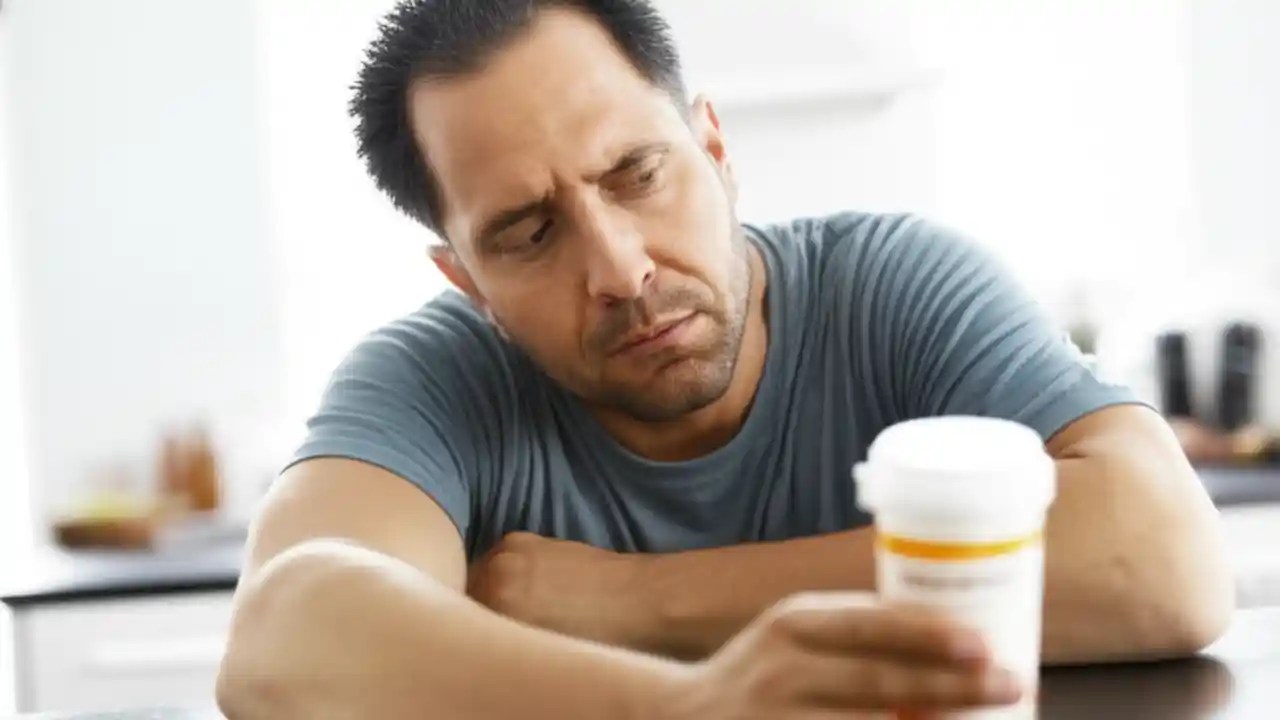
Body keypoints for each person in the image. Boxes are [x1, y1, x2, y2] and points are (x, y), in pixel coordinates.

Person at [216, 1, 1234, 717]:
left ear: (711, 147)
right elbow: (282, 635)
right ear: (466, 282)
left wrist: (628, 601)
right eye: (528, 233)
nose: (617, 267)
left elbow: (1164, 561)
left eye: (636, 173)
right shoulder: (430, 383)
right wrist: (692, 707)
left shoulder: (895, 285)